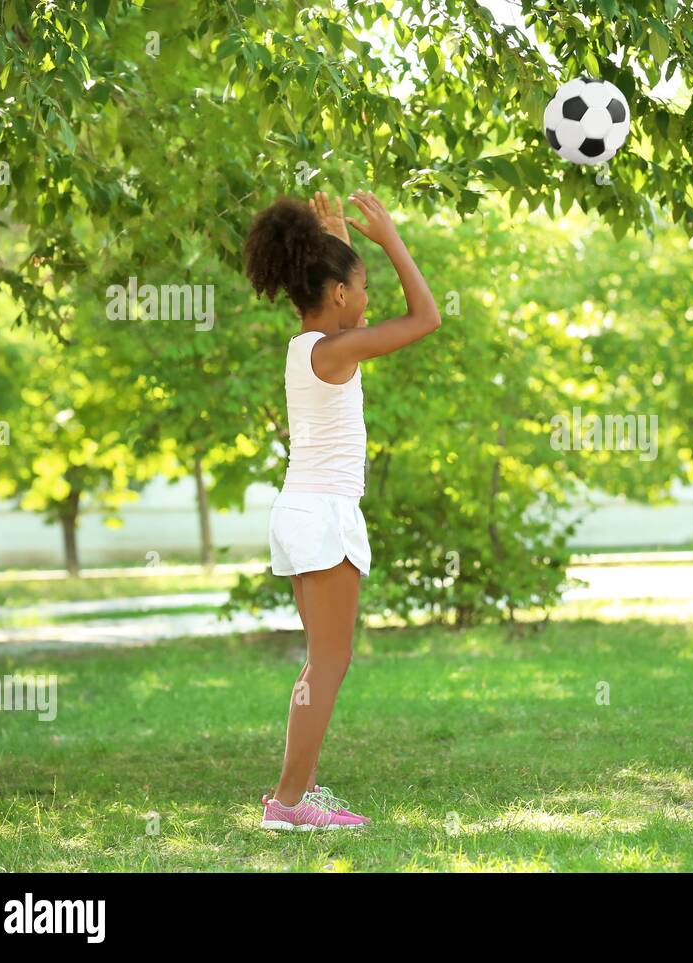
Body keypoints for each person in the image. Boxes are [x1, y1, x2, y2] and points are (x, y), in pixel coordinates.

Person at [242, 190, 441, 828]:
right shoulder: (334, 352)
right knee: (330, 660)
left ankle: (294, 798)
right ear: (335, 295)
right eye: (359, 287)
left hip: (311, 509)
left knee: (324, 658)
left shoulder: (314, 345)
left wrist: (340, 240)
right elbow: (426, 318)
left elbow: (342, 293)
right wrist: (391, 241)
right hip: (320, 513)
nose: (366, 299)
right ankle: (289, 804)